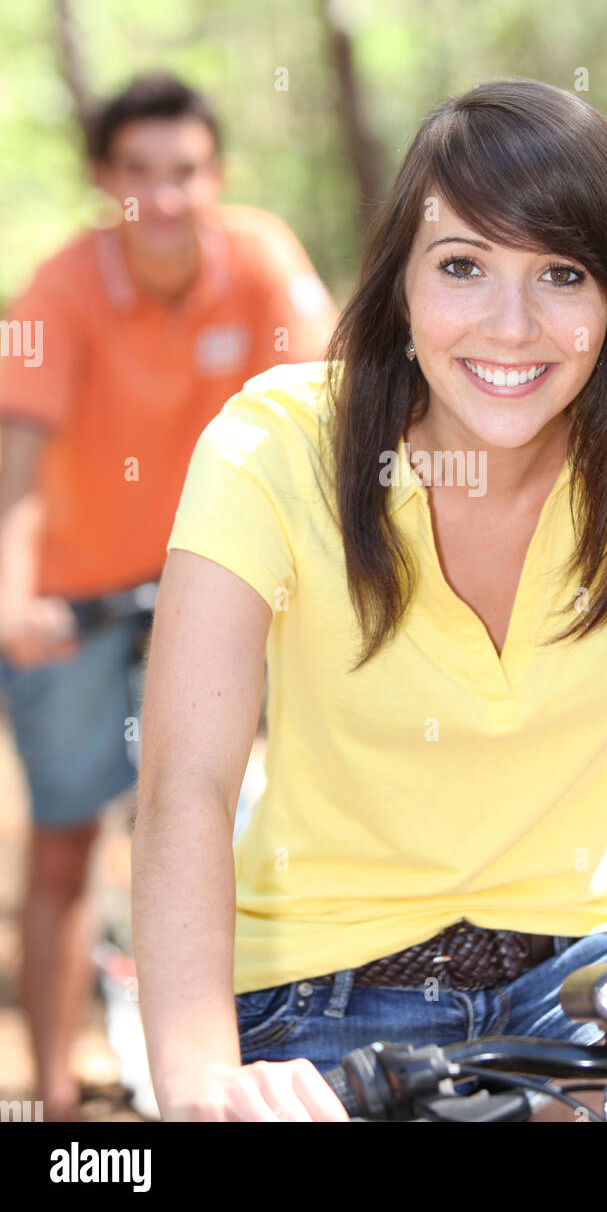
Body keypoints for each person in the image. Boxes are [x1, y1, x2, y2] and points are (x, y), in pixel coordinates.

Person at [133, 78, 607, 1123]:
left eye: (561, 273)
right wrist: (201, 1073)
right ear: (401, 286)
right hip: (317, 999)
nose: (510, 326)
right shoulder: (270, 447)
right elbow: (183, 784)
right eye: (462, 266)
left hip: (591, 975)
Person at [0, 70, 340, 1122]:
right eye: (139, 171)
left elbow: (337, 413)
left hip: (219, 579)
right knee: (64, 839)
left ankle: (233, 1072)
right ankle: (54, 1097)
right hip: (77, 593)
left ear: (216, 175)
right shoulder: (58, 291)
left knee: (244, 826)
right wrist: (11, 595)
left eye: (185, 170)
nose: (165, 194)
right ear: (106, 180)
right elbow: (17, 459)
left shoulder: (261, 262)